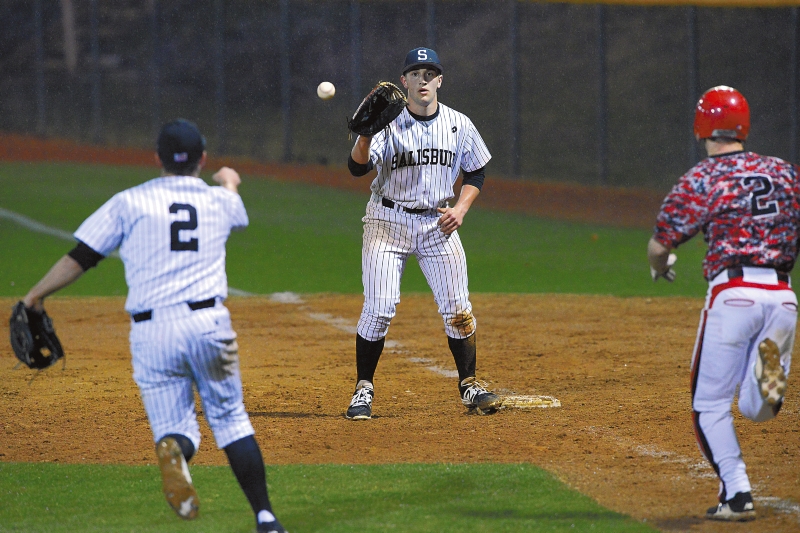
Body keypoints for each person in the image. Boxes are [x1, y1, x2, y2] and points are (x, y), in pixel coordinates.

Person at [20, 119, 287, 533]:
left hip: (151, 333)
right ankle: (266, 518)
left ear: (156, 158)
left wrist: (34, 296)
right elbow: (237, 211)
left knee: (175, 430)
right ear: (202, 158)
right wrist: (230, 181)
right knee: (231, 419)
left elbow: (83, 256)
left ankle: (176, 449)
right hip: (209, 325)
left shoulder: (129, 202)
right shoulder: (219, 202)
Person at [647, 86, 798, 521]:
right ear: (744, 126)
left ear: (702, 128)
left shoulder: (703, 177)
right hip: (783, 296)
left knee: (708, 405)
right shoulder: (786, 173)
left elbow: (661, 244)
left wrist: (660, 264)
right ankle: (766, 386)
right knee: (757, 408)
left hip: (732, 294)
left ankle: (737, 495)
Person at [345, 47, 501, 420]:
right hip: (387, 223)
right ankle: (362, 390)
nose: (423, 79)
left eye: (430, 73)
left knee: (458, 310)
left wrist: (461, 209)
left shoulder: (459, 124)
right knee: (379, 308)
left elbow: (476, 171)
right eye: (416, 73)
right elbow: (356, 169)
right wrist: (365, 135)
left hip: (437, 225)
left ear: (440, 80)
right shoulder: (388, 124)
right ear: (404, 81)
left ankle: (469, 386)